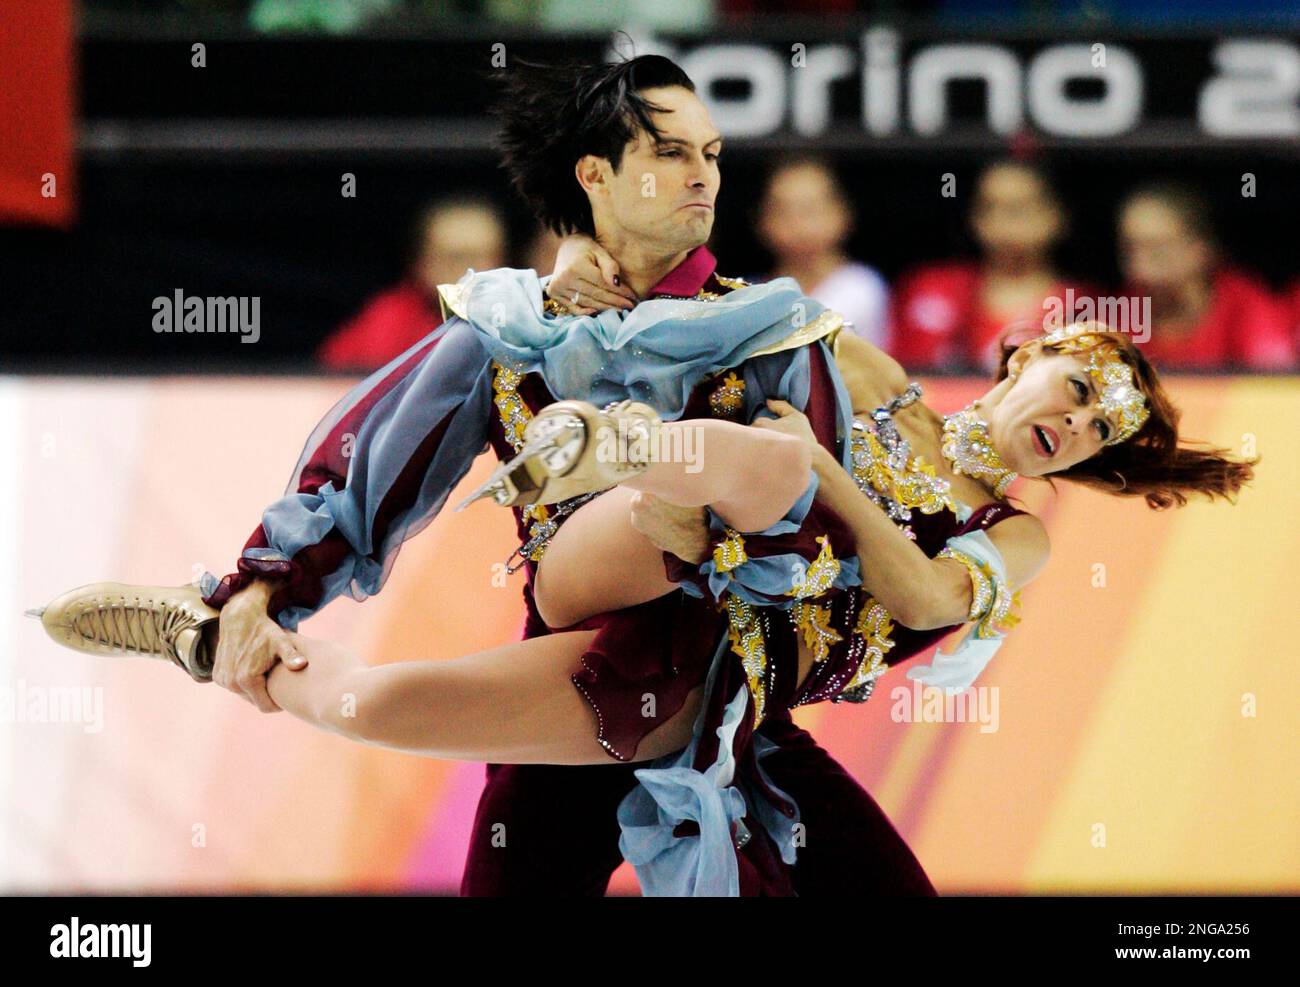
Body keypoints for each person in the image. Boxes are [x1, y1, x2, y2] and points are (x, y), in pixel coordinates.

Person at [26, 57, 1258, 897]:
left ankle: (202, 644)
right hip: (600, 584)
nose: (704, 175)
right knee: (695, 471)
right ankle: (604, 458)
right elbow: (369, 455)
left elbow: (927, 593)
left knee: (364, 707)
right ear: (594, 177)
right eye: (669, 154)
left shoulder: (786, 333)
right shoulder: (511, 324)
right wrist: (263, 583)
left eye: (713, 153)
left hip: (715, 693)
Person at [891, 159, 1095, 373]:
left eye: (1017, 210)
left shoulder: (1082, 306)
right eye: (988, 208)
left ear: (1055, 216)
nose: (1000, 222)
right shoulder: (929, 287)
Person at [1116, 182, 1296, 371]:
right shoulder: (1120, 316)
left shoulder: (1245, 307)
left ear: (1201, 249)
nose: (1139, 268)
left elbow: (1274, 388)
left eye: (1158, 251)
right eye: (1130, 251)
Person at [317, 195, 507, 372]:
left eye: (485, 257)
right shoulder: (387, 324)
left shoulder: (522, 319)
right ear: (422, 263)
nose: (473, 271)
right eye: (457, 258)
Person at [755, 154, 890, 348]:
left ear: (841, 213)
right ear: (762, 220)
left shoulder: (862, 287)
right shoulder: (748, 295)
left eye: (811, 210)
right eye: (784, 212)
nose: (799, 225)